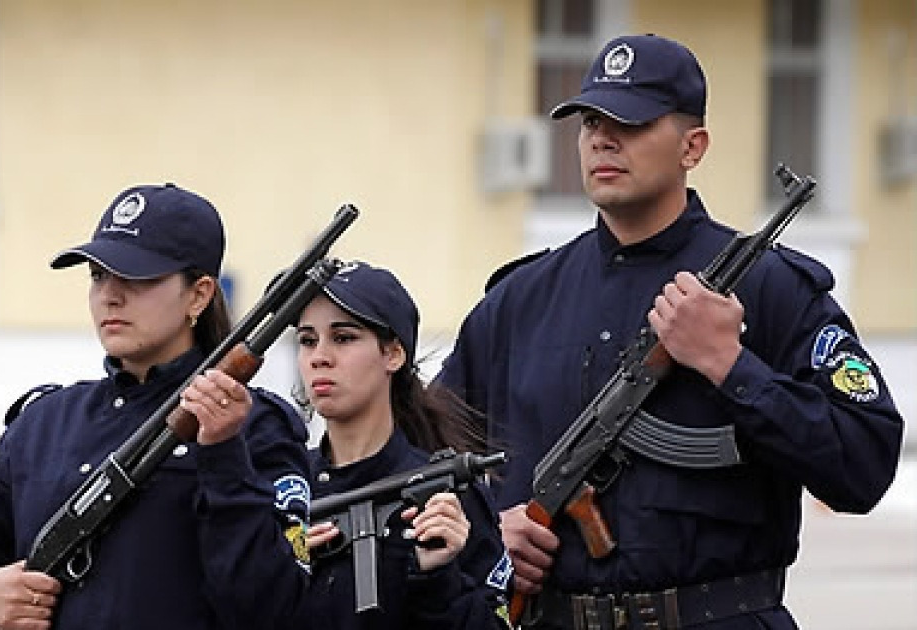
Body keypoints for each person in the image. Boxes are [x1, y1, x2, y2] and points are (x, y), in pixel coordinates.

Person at [437, 34, 905, 629]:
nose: (602, 139)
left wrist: (732, 367)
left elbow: (863, 465)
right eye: (589, 122)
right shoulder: (519, 301)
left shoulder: (772, 289)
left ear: (693, 146)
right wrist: (490, 524)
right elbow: (430, 457)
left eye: (630, 123)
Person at [0, 183, 311, 630]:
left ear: (199, 294)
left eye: (138, 277)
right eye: (97, 276)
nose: (110, 295)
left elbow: (273, 605)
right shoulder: (42, 421)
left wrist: (223, 453)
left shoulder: (257, 426)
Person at [293, 260, 513, 629]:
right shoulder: (287, 490)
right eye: (307, 340)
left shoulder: (447, 494)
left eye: (344, 337)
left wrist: (439, 577)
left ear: (393, 353)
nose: (320, 357)